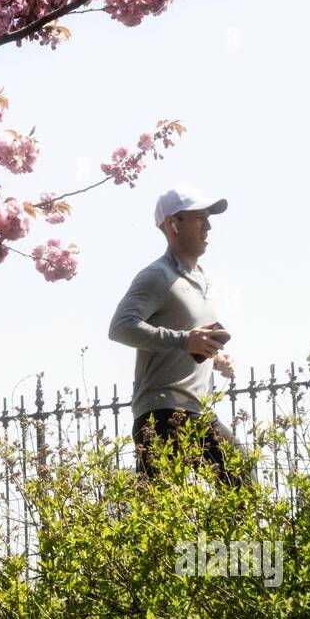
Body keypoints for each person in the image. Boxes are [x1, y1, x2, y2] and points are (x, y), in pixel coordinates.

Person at [107, 186, 255, 488]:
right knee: (159, 511)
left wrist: (215, 355)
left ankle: (211, 540)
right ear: (173, 224)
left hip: (197, 410)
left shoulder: (202, 279)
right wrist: (184, 340)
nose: (209, 226)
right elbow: (121, 327)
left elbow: (195, 338)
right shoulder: (157, 275)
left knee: (243, 484)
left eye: (208, 218)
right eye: (199, 218)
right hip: (161, 415)